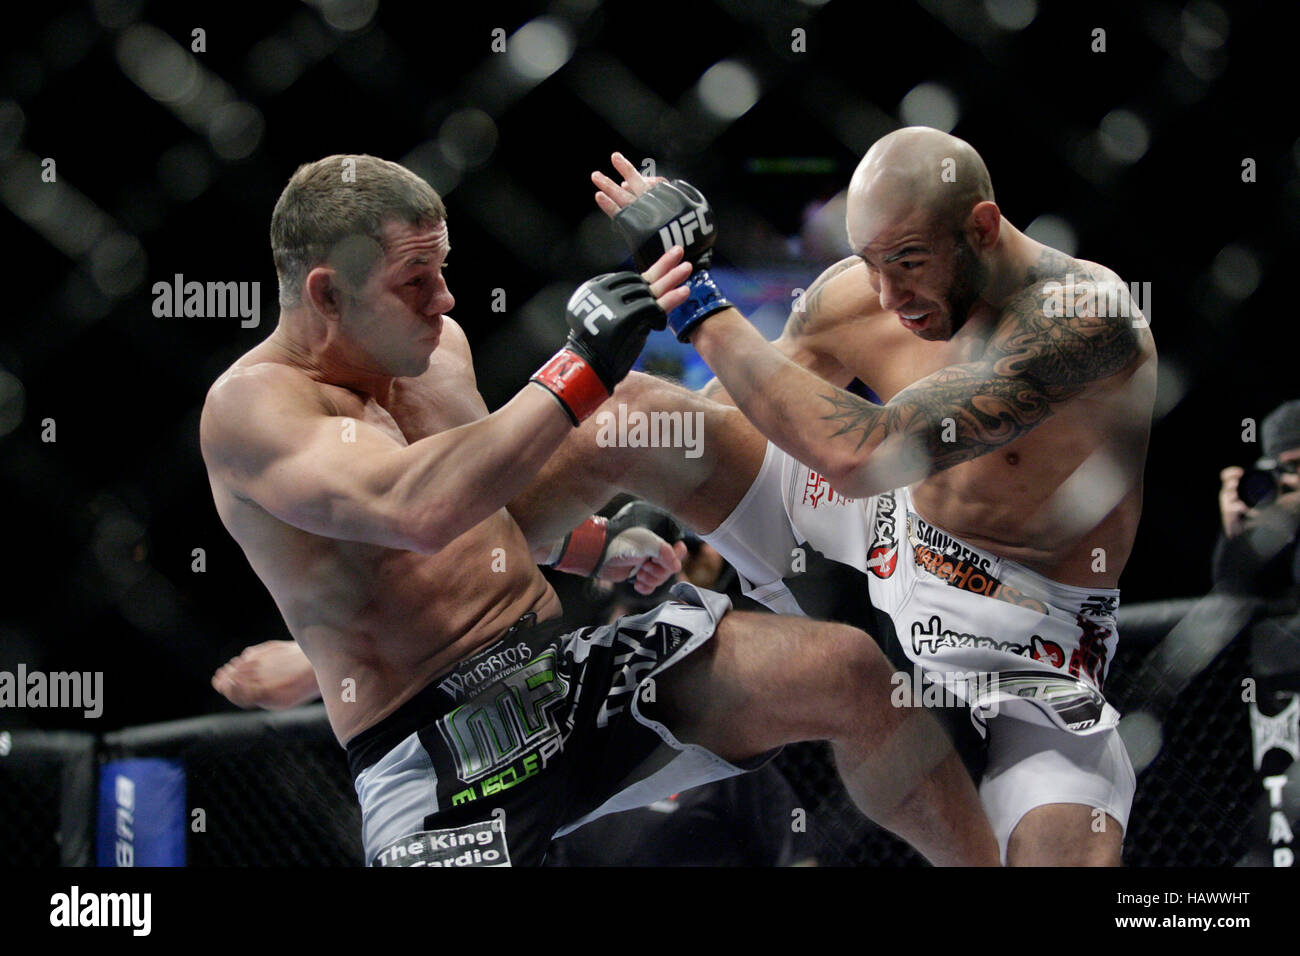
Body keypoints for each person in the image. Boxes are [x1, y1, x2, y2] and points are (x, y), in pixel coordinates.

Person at [200, 153, 998, 867]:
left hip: (557, 672)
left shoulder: (435, 350)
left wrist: (590, 545)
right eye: (415, 281)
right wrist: (583, 364)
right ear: (327, 292)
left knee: (847, 670)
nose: (444, 300)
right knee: (609, 403)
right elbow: (413, 506)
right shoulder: (252, 411)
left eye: (443, 269)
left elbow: (486, 505)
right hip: (433, 749)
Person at [513, 129, 1157, 866]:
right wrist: (663, 504)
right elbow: (753, 403)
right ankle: (453, 600)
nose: (889, 295)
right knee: (629, 414)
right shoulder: (856, 295)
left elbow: (870, 450)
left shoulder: (1083, 316)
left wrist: (697, 298)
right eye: (871, 263)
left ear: (981, 227)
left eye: (909, 262)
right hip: (878, 531)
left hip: (1026, 631)